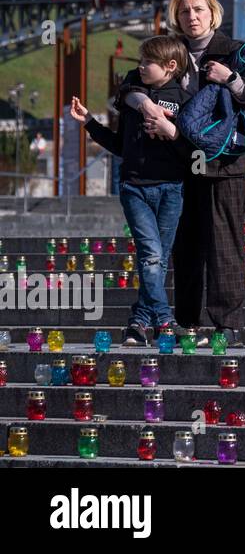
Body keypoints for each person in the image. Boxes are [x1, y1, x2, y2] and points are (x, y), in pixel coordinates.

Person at [126, 0, 245, 348]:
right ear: (176, 17)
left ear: (212, 12)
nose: (191, 16)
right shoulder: (170, 51)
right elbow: (130, 83)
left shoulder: (234, 52)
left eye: (198, 9)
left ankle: (226, 325)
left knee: (224, 244)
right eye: (184, 10)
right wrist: (145, 104)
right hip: (180, 167)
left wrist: (233, 81)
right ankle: (187, 321)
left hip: (225, 167)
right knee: (185, 246)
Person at [70, 34, 191, 346]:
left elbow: (190, 149)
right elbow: (119, 145)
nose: (141, 66)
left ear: (171, 66)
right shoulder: (133, 91)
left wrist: (170, 131)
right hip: (135, 189)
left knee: (159, 259)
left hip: (171, 190)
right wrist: (89, 123)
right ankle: (165, 321)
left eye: (148, 61)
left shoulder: (184, 99)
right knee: (151, 255)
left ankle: (137, 323)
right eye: (141, 60)